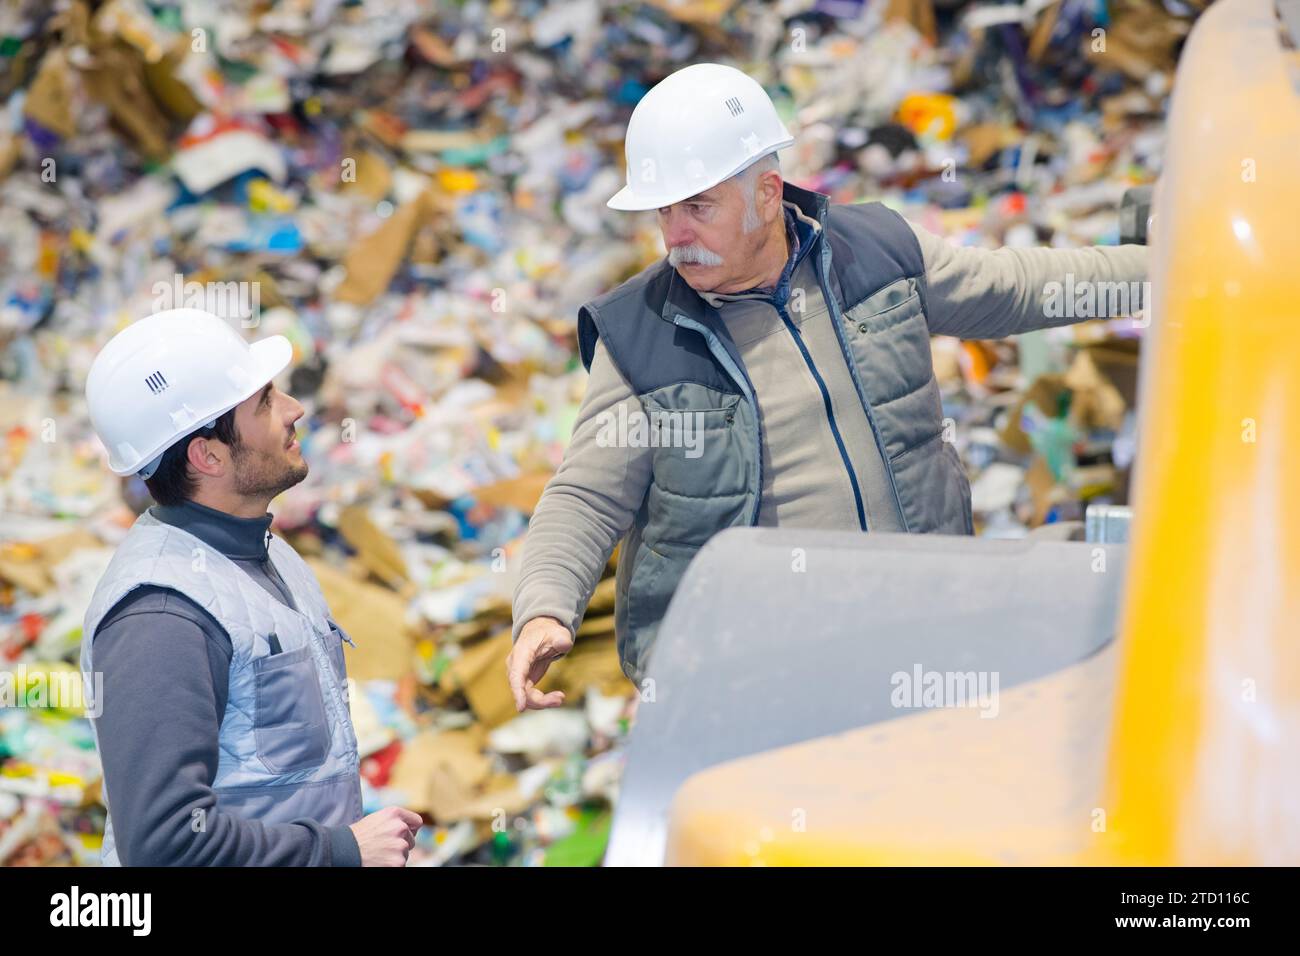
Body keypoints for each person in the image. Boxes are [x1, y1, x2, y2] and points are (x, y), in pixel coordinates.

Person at [507, 63, 1148, 706]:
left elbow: (1011, 286)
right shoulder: (641, 339)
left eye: (698, 207)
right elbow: (585, 498)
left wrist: (1165, 269)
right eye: (664, 211)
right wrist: (543, 610)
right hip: (756, 684)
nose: (676, 235)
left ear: (766, 192)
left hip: (925, 634)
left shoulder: (874, 253)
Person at [81, 308, 422, 865]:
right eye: (264, 402)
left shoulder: (266, 551)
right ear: (207, 455)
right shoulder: (162, 616)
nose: (295, 410)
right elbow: (164, 842)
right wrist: (337, 851)